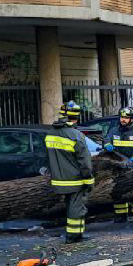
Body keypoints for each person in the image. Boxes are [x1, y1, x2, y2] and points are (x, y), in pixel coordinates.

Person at [45, 101, 94, 243]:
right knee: (77, 208)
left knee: (71, 206)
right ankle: (73, 236)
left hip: (58, 179)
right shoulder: (76, 135)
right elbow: (85, 163)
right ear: (77, 117)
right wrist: (89, 180)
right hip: (75, 179)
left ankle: (78, 234)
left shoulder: (50, 133)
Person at [104, 108, 133, 222]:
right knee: (118, 190)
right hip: (117, 165)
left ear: (131, 119)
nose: (123, 120)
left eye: (126, 118)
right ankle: (120, 215)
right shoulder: (113, 131)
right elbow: (106, 140)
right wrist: (107, 144)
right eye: (122, 117)